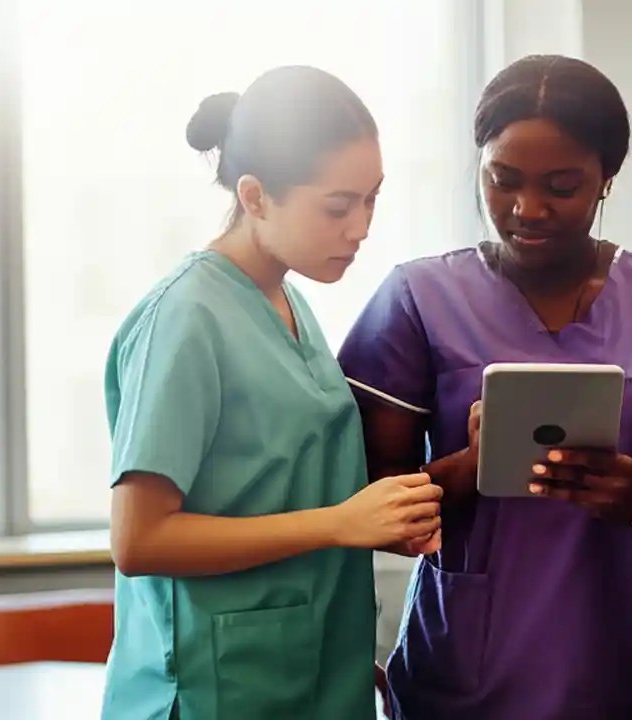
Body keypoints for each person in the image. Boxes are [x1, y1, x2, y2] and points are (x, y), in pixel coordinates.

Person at [338, 54, 632, 719]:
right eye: (502, 180)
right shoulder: (417, 300)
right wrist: (469, 468)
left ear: (606, 180)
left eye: (562, 185)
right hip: (471, 671)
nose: (527, 208)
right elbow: (359, 504)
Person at [102, 66, 443, 720]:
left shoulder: (290, 304)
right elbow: (139, 541)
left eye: (373, 199)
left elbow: (290, 487)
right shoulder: (186, 318)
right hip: (210, 689)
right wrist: (342, 525)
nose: (361, 228)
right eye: (339, 207)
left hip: (304, 677)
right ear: (255, 196)